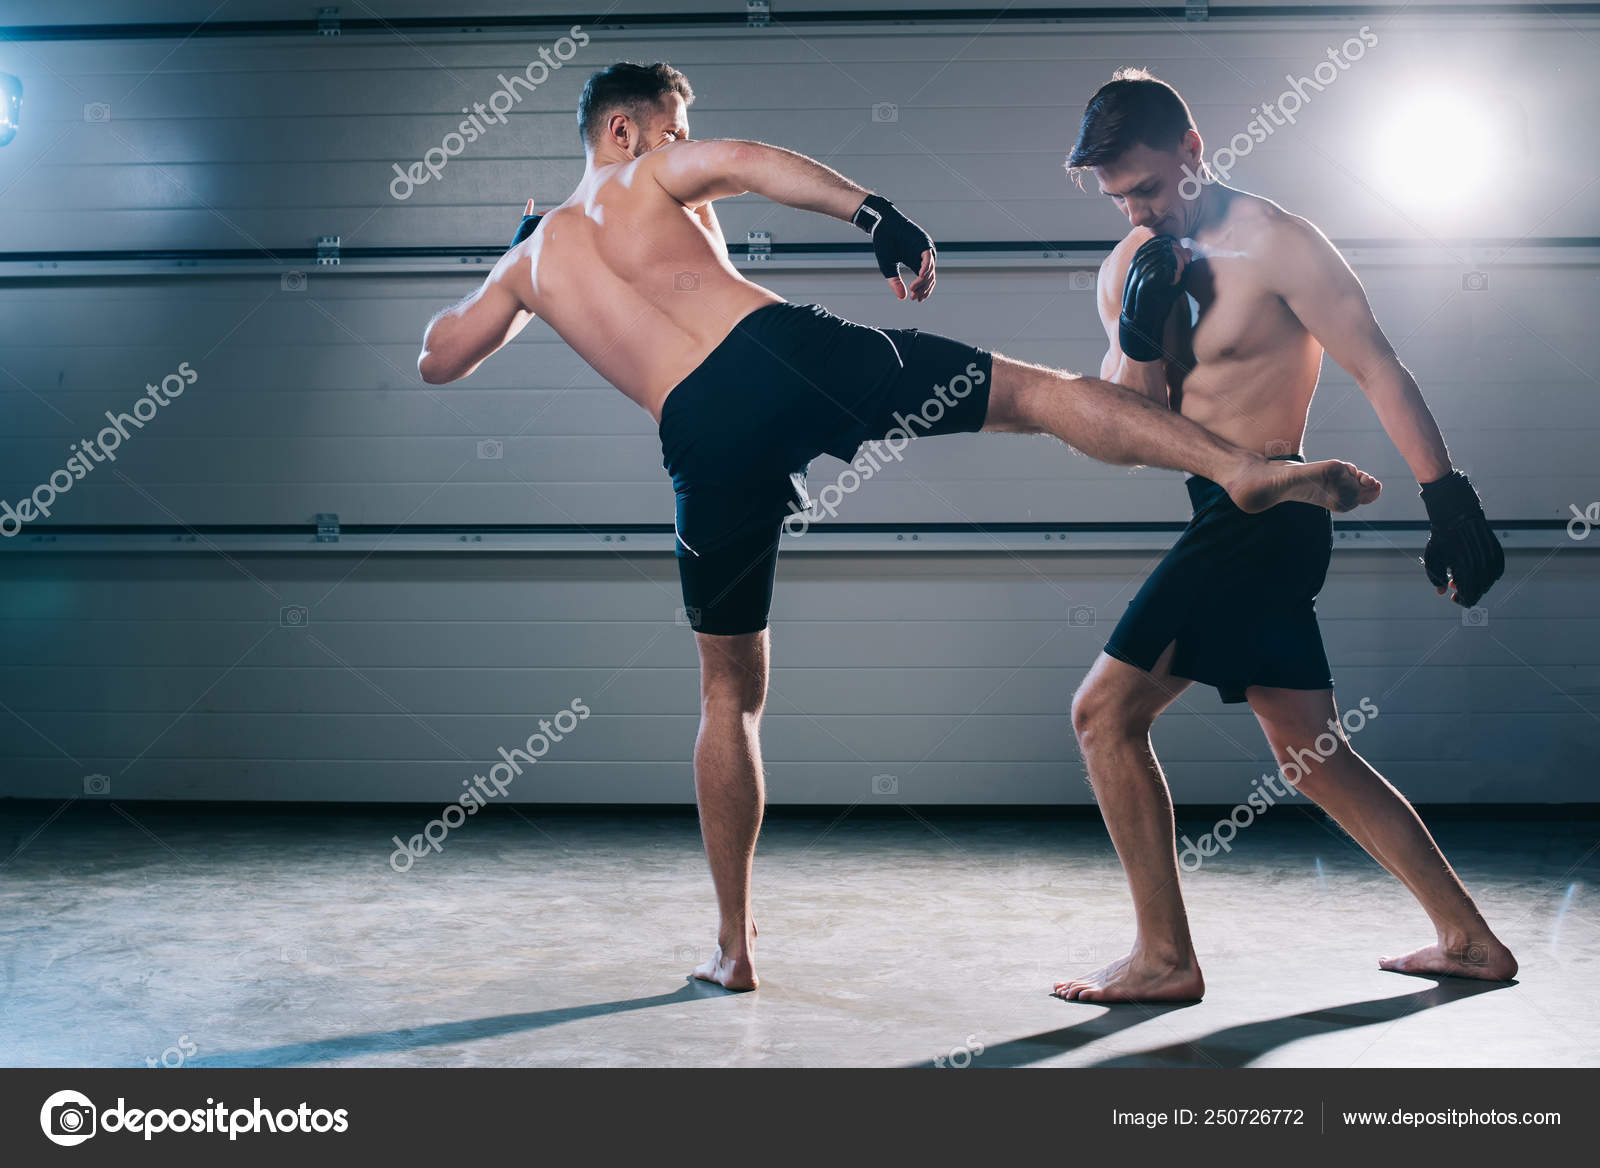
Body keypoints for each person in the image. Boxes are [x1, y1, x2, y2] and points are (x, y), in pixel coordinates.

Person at [417, 62, 1379, 992]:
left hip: (701, 442)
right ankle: (1242, 468)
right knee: (1037, 393)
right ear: (622, 131)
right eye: (672, 128)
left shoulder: (529, 262)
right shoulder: (647, 170)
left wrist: (518, 257)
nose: (682, 144)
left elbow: (441, 356)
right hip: (775, 355)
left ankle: (732, 948)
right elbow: (750, 160)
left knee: (728, 695)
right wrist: (874, 215)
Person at [1053, 68, 1514, 1003]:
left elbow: (1378, 365)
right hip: (1221, 512)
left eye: (1148, 186)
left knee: (1104, 714)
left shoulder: (1279, 244)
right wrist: (1143, 326)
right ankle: (1470, 939)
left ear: (1193, 150)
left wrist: (1448, 497)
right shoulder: (1129, 262)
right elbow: (1130, 424)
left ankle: (1165, 960)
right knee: (1312, 755)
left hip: (1268, 519)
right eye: (1119, 197)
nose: (1137, 209)